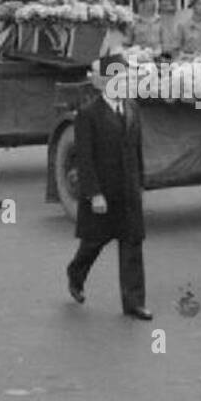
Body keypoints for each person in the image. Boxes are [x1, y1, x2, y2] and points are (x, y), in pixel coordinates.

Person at [66, 52, 151, 320]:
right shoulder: (88, 115)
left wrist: (140, 183)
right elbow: (86, 159)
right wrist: (94, 194)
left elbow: (136, 149)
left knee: (132, 244)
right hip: (103, 192)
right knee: (93, 242)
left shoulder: (132, 109)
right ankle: (76, 273)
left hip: (128, 190)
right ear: (103, 82)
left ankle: (134, 302)